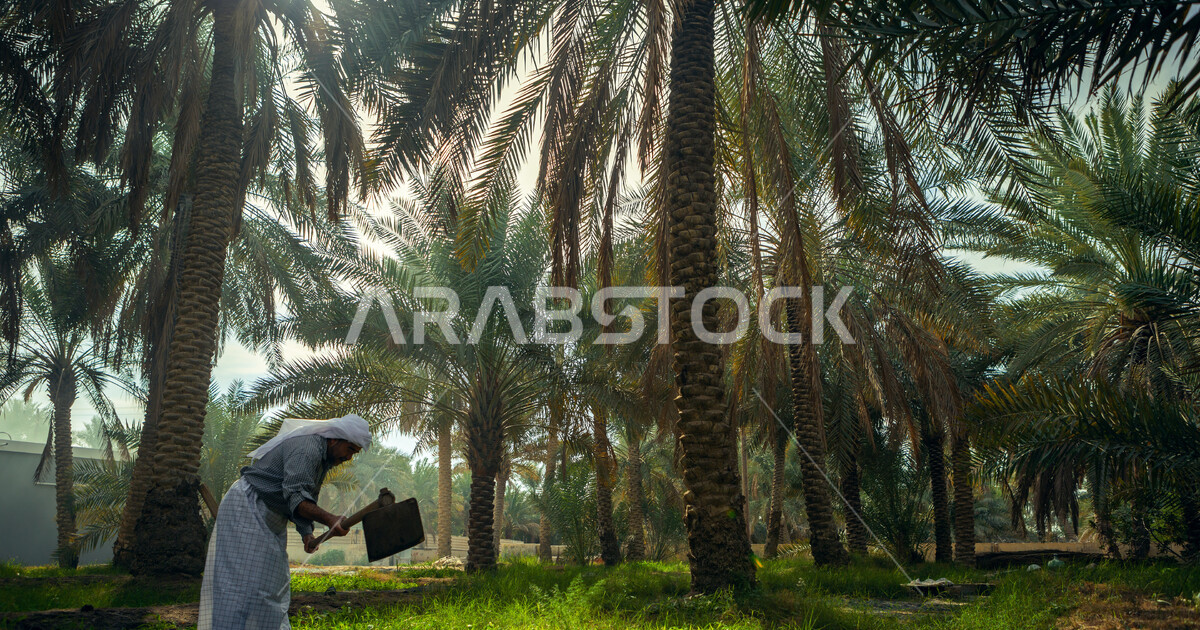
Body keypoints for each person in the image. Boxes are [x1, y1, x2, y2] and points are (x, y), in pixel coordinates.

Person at [198, 414, 371, 630]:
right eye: (350, 450)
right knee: (241, 583)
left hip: (270, 515)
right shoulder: (307, 448)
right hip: (248, 507)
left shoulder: (323, 457)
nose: (349, 458)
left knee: (270, 584)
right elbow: (297, 498)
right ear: (335, 439)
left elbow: (306, 497)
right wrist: (330, 519)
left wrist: (306, 532)